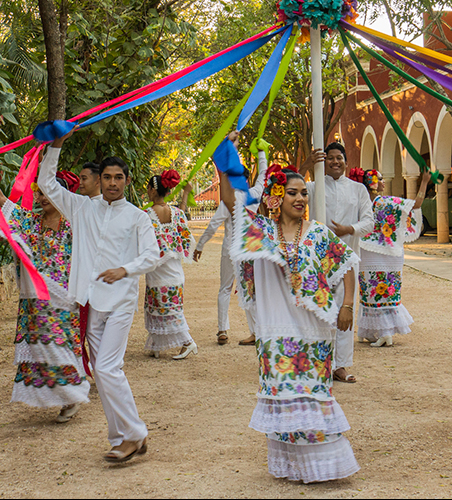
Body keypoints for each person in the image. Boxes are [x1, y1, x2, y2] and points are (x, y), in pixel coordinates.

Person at [221, 162, 361, 483]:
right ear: (277, 196)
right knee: (284, 399)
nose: (300, 199)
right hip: (275, 334)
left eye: (303, 194)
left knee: (313, 397)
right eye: (292, 193)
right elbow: (231, 202)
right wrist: (226, 162)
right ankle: (294, 467)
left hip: (314, 333)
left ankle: (325, 466)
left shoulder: (317, 232)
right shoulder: (260, 232)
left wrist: (347, 306)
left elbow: (347, 264)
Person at [38, 128, 159, 463]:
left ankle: (135, 433)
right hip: (90, 301)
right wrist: (57, 144)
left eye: (118, 177)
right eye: (107, 177)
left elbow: (152, 255)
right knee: (103, 374)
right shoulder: (81, 208)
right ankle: (121, 437)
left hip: (120, 301)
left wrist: (125, 269)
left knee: (106, 368)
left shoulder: (137, 217)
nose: (112, 183)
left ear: (127, 181)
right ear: (99, 180)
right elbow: (46, 183)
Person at [0, 153, 90, 423]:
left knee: (60, 346)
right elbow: (3, 203)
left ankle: (72, 395)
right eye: (39, 193)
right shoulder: (31, 222)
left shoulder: (74, 225)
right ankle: (66, 396)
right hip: (34, 300)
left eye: (46, 193)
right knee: (41, 348)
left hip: (63, 296)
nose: (41, 198)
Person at [299, 142, 374, 383]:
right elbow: (292, 189)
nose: (334, 162)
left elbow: (369, 222)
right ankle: (318, 363)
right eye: (330, 158)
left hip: (348, 258)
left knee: (345, 310)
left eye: (339, 157)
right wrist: (307, 164)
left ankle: (340, 365)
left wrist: (349, 229)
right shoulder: (314, 187)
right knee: (318, 311)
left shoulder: (358, 190)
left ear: (346, 162)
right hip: (318, 259)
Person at [194, 135, 268, 346]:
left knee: (225, 288)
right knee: (249, 290)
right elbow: (263, 176)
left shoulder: (229, 200)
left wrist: (200, 246)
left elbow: (212, 226)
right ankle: (255, 332)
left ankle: (222, 330)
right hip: (249, 249)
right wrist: (261, 153)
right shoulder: (253, 195)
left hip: (230, 249)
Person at [349, 167, 430, 347]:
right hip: (384, 252)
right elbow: (416, 204)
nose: (383, 182)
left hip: (369, 251)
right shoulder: (385, 202)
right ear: (372, 183)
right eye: (379, 179)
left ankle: (380, 331)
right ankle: (376, 331)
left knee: (371, 289)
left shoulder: (359, 203)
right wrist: (424, 181)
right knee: (380, 290)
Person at [144, 172, 197, 360]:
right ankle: (157, 344)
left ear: (152, 190)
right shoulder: (177, 214)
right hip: (174, 272)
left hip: (158, 271)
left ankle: (188, 342)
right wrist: (185, 194)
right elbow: (183, 228)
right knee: (167, 308)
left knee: (163, 308)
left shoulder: (146, 216)